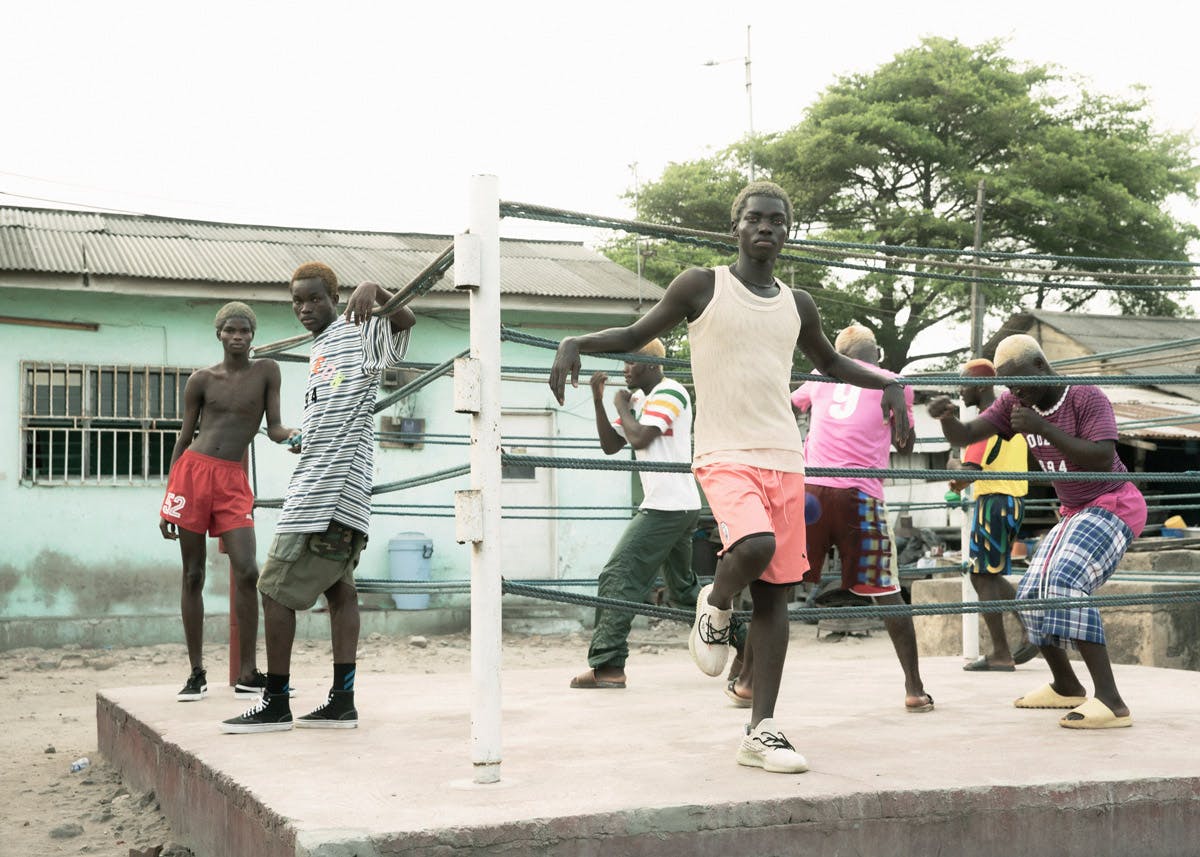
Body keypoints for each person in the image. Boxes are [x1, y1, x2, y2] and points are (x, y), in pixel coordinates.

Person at [549, 181, 910, 772]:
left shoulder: (800, 304)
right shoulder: (701, 285)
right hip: (724, 453)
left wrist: (889, 384)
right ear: (735, 228)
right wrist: (576, 341)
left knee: (775, 596)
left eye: (778, 220)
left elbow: (833, 362)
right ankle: (714, 605)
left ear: (788, 233)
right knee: (755, 545)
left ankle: (762, 730)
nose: (766, 227)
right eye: (755, 218)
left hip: (784, 458)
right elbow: (636, 335)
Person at [222, 262, 415, 733]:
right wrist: (298, 437)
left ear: (334, 298)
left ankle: (277, 701)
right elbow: (332, 409)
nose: (305, 309)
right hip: (327, 477)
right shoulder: (321, 349)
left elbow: (406, 319)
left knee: (271, 587)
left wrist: (375, 289)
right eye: (297, 302)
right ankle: (342, 701)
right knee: (339, 589)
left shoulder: (356, 328)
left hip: (328, 489)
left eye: (314, 299)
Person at [928, 334, 1146, 729]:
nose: (1015, 392)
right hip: (1073, 511)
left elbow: (1101, 456)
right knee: (1030, 593)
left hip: (1114, 502)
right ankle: (1066, 685)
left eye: (1021, 382)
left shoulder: (1084, 396)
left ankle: (1112, 702)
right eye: (1009, 385)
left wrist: (1043, 428)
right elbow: (966, 435)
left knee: (1063, 582)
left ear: (1041, 366)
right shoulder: (1015, 402)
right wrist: (945, 418)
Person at [727, 325, 930, 713]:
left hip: (811, 494)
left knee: (777, 588)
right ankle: (915, 689)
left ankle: (748, 683)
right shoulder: (894, 382)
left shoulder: (820, 376)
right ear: (877, 355)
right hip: (861, 496)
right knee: (887, 592)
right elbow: (905, 443)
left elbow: (784, 407)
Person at [159, 301, 296, 702]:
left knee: (248, 570)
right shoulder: (201, 380)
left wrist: (297, 437)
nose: (238, 337)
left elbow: (273, 427)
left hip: (232, 481)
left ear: (253, 336)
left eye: (245, 331)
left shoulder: (267, 372)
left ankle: (248, 672)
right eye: (231, 331)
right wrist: (170, 498)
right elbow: (184, 438)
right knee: (193, 575)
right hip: (192, 475)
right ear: (219, 334)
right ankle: (196, 672)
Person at [570, 339, 706, 690]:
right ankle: (744, 643)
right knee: (683, 591)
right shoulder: (640, 400)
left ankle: (609, 665)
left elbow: (641, 438)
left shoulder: (670, 391)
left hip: (668, 506)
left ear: (649, 364)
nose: (624, 370)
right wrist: (601, 402)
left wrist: (620, 404)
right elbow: (612, 444)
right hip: (674, 505)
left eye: (629, 363)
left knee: (617, 576)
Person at [947, 358, 1038, 672]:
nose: (960, 390)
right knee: (989, 573)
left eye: (964, 382)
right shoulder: (1008, 415)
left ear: (982, 385)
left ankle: (1002, 651)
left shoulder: (987, 422)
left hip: (994, 502)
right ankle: (1028, 626)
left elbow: (965, 476)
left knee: (982, 574)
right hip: (1011, 501)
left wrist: (951, 469)